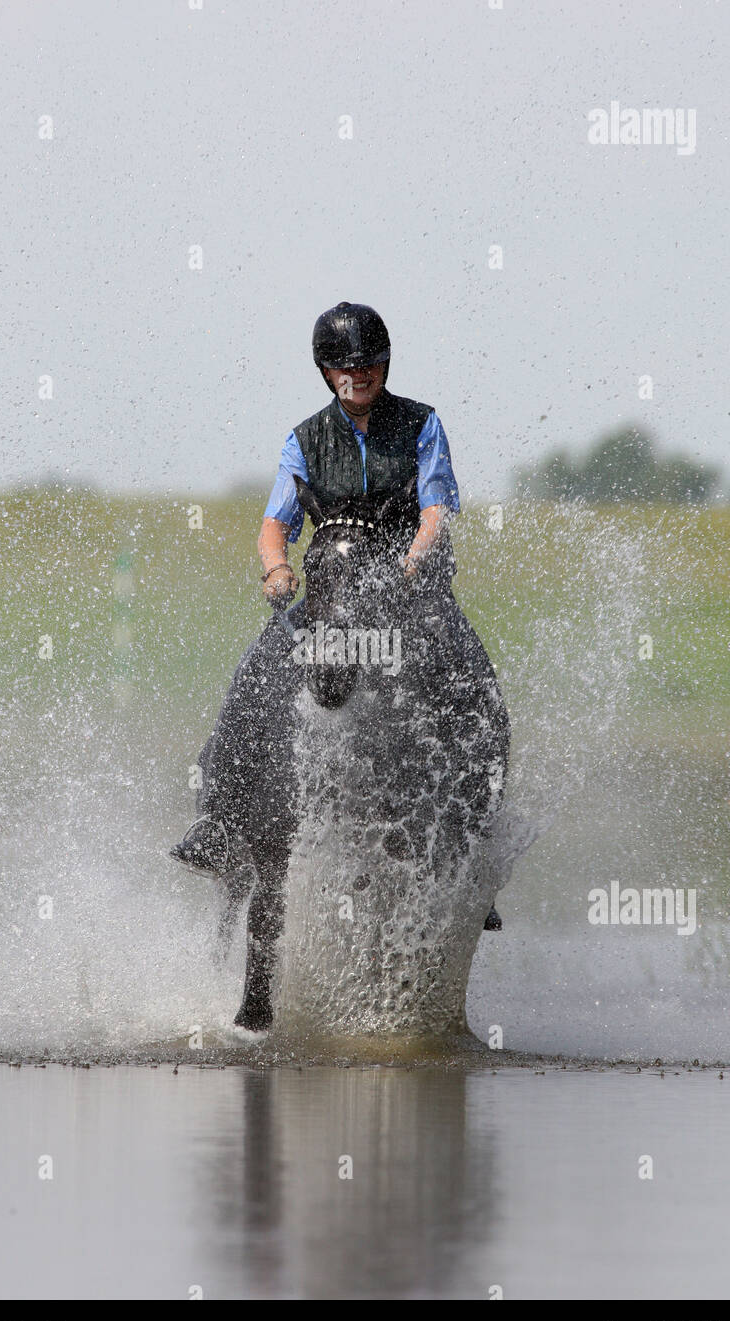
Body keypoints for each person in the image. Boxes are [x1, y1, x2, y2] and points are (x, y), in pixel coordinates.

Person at [171, 302, 507, 929]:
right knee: (255, 673)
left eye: (370, 369)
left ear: (385, 365)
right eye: (346, 372)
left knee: (474, 685)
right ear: (327, 373)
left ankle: (471, 844)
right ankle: (219, 820)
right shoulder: (304, 439)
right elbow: (276, 523)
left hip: (414, 593)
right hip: (333, 586)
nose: (360, 380)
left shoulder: (422, 424)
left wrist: (413, 557)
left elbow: (436, 506)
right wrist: (275, 567)